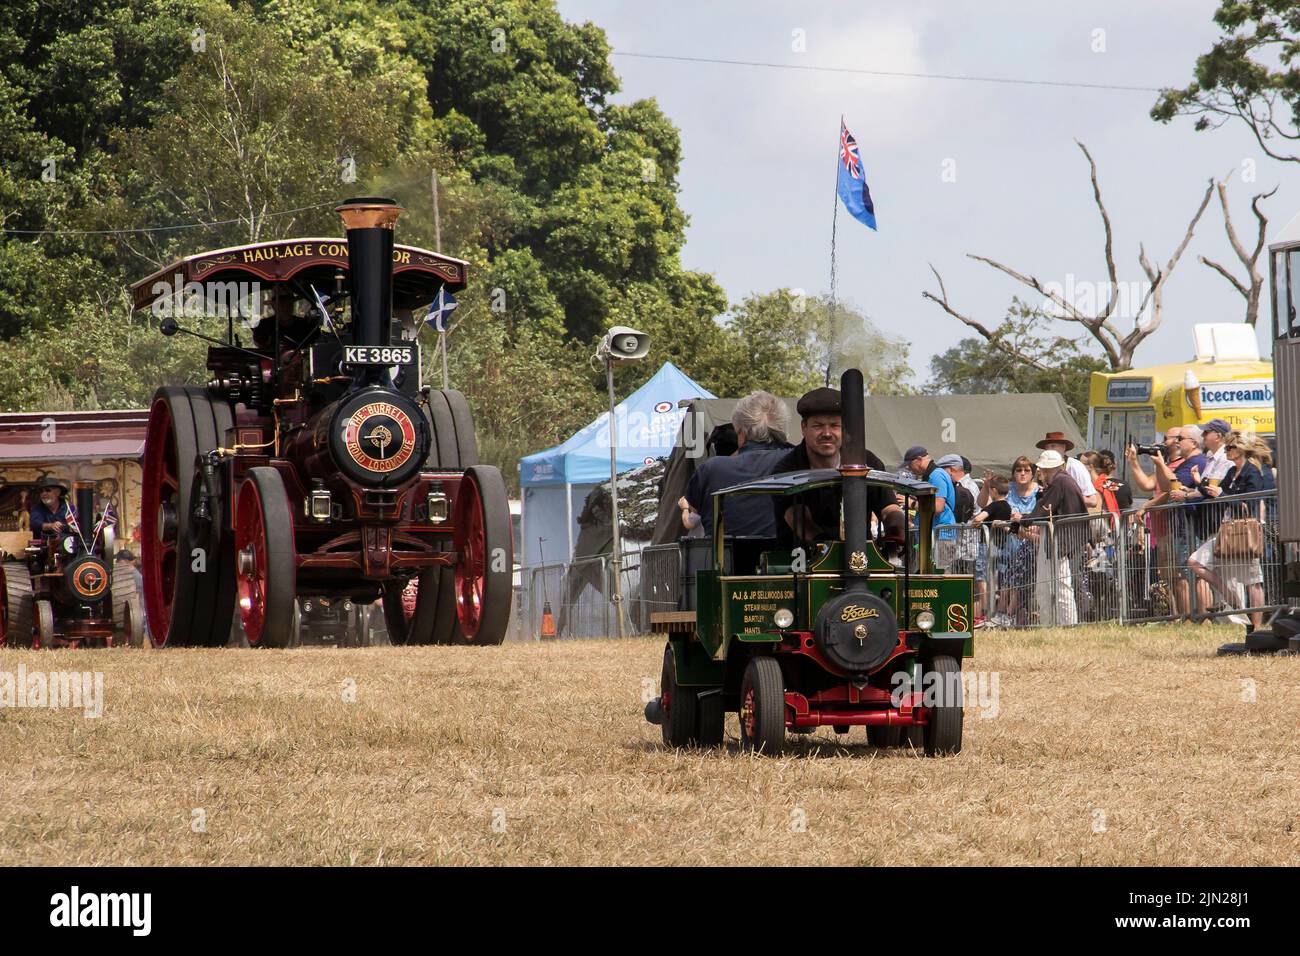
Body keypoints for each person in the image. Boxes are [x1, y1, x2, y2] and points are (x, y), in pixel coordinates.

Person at [771, 386, 906, 556]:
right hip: (801, 564)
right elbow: (798, 519)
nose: (827, 433)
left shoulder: (867, 461)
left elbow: (889, 508)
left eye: (835, 425)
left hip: (859, 560)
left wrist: (896, 534)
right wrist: (829, 550)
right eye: (818, 426)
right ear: (803, 427)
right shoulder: (786, 469)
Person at [1188, 431, 1269, 628]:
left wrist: (1222, 494)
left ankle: (1256, 626)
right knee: (1195, 561)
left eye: (1229, 448)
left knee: (1252, 580)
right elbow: (1214, 491)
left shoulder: (1252, 472)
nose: (1226, 451)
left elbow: (1248, 503)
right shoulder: (1232, 472)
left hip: (1246, 531)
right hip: (1228, 530)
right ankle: (1231, 597)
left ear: (1239, 450)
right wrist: (1193, 491)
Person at [683, 391, 791, 538]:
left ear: (740, 431)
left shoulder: (711, 468)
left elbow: (693, 514)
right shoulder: (796, 460)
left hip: (721, 559)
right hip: (787, 558)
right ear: (781, 427)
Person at [1018, 449, 1090, 626]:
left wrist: (1024, 519)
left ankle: (1065, 625)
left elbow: (1044, 509)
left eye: (1043, 470)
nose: (1041, 473)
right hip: (1061, 538)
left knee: (1060, 585)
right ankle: (1051, 624)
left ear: (1049, 469)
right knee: (1049, 585)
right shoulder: (1062, 481)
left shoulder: (1059, 482)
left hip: (1062, 539)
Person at [972, 475, 1013, 625]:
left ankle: (985, 611)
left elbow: (978, 519)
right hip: (1002, 546)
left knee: (982, 577)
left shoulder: (994, 506)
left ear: (994, 491)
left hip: (988, 545)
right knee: (999, 579)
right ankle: (998, 613)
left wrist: (974, 523)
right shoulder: (1007, 506)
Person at [1035, 431, 1099, 510]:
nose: (1049, 450)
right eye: (1047, 448)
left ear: (1064, 447)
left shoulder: (1074, 466)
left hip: (1071, 518)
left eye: (1053, 446)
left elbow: (1092, 501)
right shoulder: (1043, 469)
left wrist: (1066, 497)